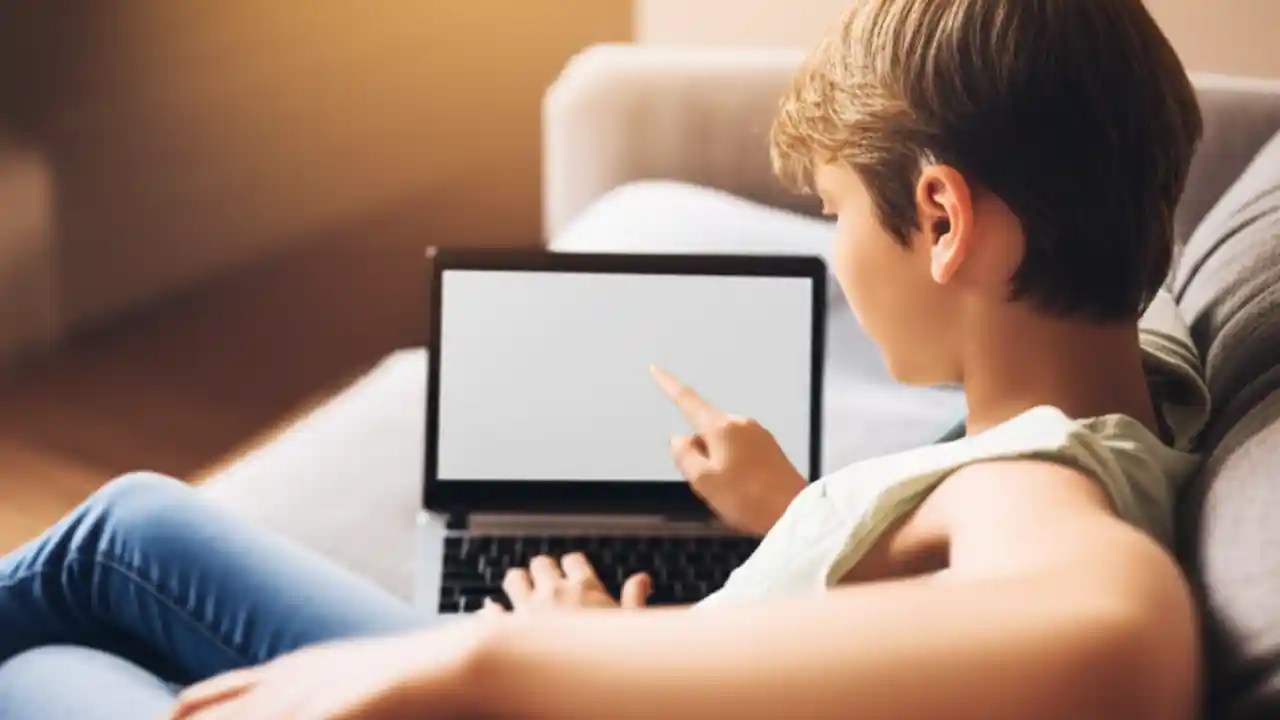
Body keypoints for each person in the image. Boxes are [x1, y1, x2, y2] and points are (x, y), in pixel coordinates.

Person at [0, 0, 1211, 717]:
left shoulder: (1040, 489)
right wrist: (797, 512)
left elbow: (1117, 621)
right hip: (611, 656)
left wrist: (494, 662)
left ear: (941, 221)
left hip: (562, 687)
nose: (838, 251)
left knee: (54, 659)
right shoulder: (1131, 373)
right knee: (130, 529)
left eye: (837, 211)